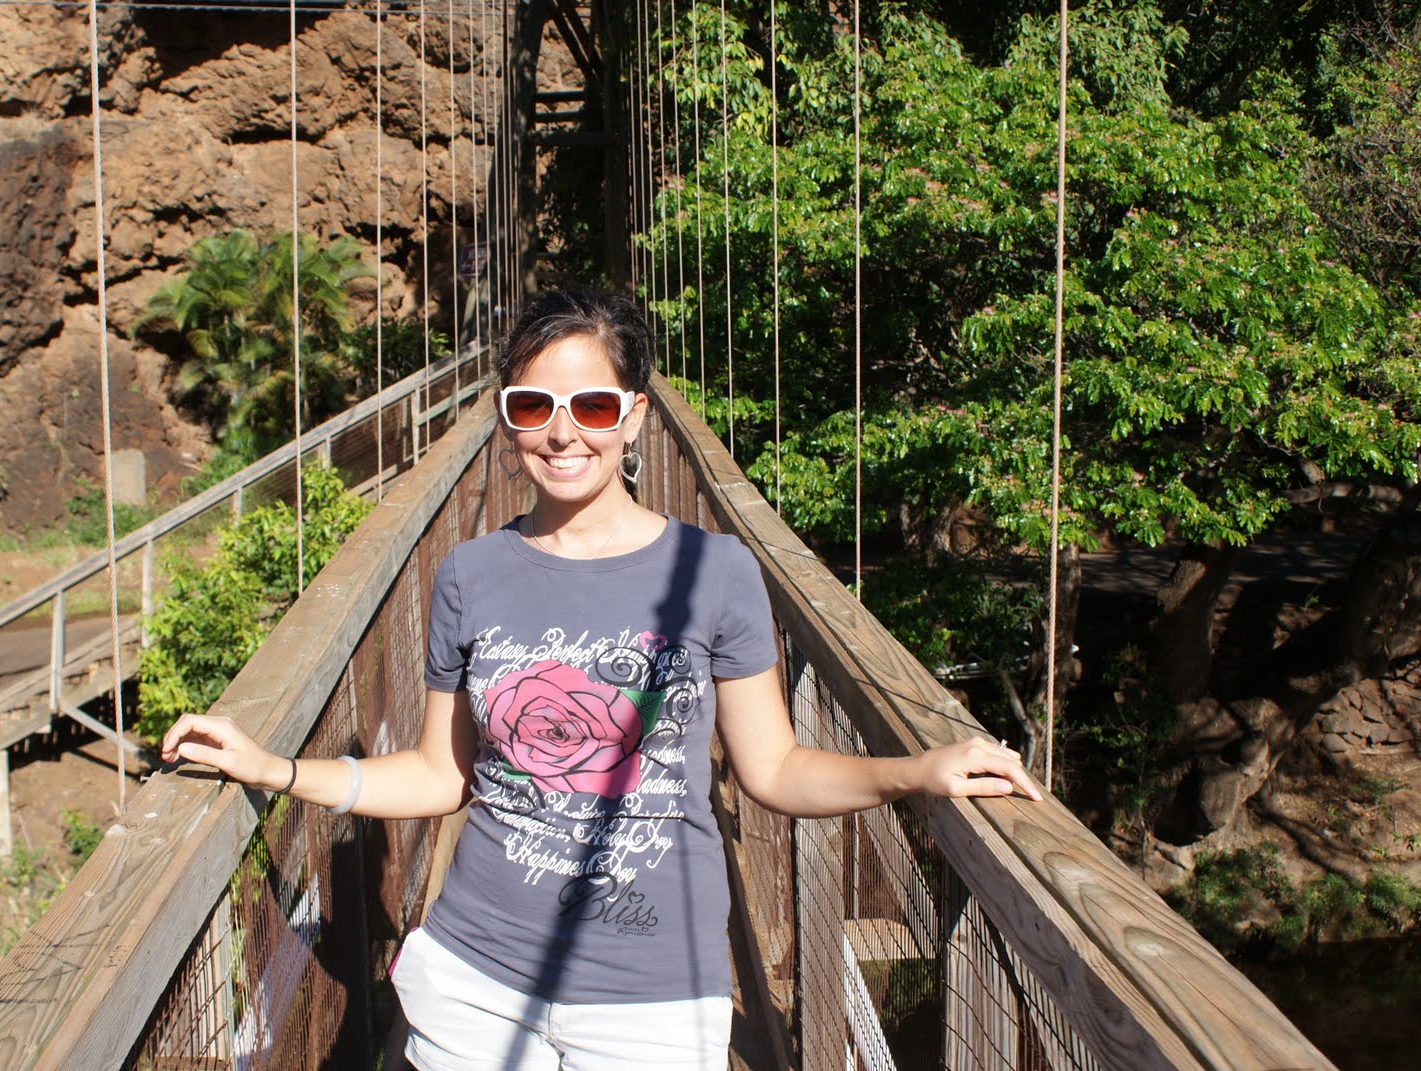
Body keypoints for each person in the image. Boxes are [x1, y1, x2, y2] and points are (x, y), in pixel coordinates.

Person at [160, 289, 1042, 1071]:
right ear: (507, 419)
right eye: (532, 404)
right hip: (477, 973)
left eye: (590, 403)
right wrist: (277, 770)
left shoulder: (716, 572)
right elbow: (439, 774)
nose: (561, 429)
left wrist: (913, 773)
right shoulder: (470, 574)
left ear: (633, 415)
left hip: (654, 991)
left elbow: (772, 770)